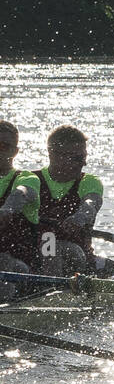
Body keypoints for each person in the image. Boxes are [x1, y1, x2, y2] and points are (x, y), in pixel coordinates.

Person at [35, 125, 114, 277]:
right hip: (32, 255)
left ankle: (50, 291)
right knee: (47, 242)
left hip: (77, 257)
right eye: (77, 158)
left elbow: (91, 204)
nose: (83, 163)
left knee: (51, 244)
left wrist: (79, 218)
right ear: (53, 154)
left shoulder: (88, 181)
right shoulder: (31, 180)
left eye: (84, 157)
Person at [0, 121, 41, 297]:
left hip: (22, 268)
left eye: (3, 146)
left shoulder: (27, 178)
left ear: (14, 152)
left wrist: (7, 210)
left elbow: (21, 193)